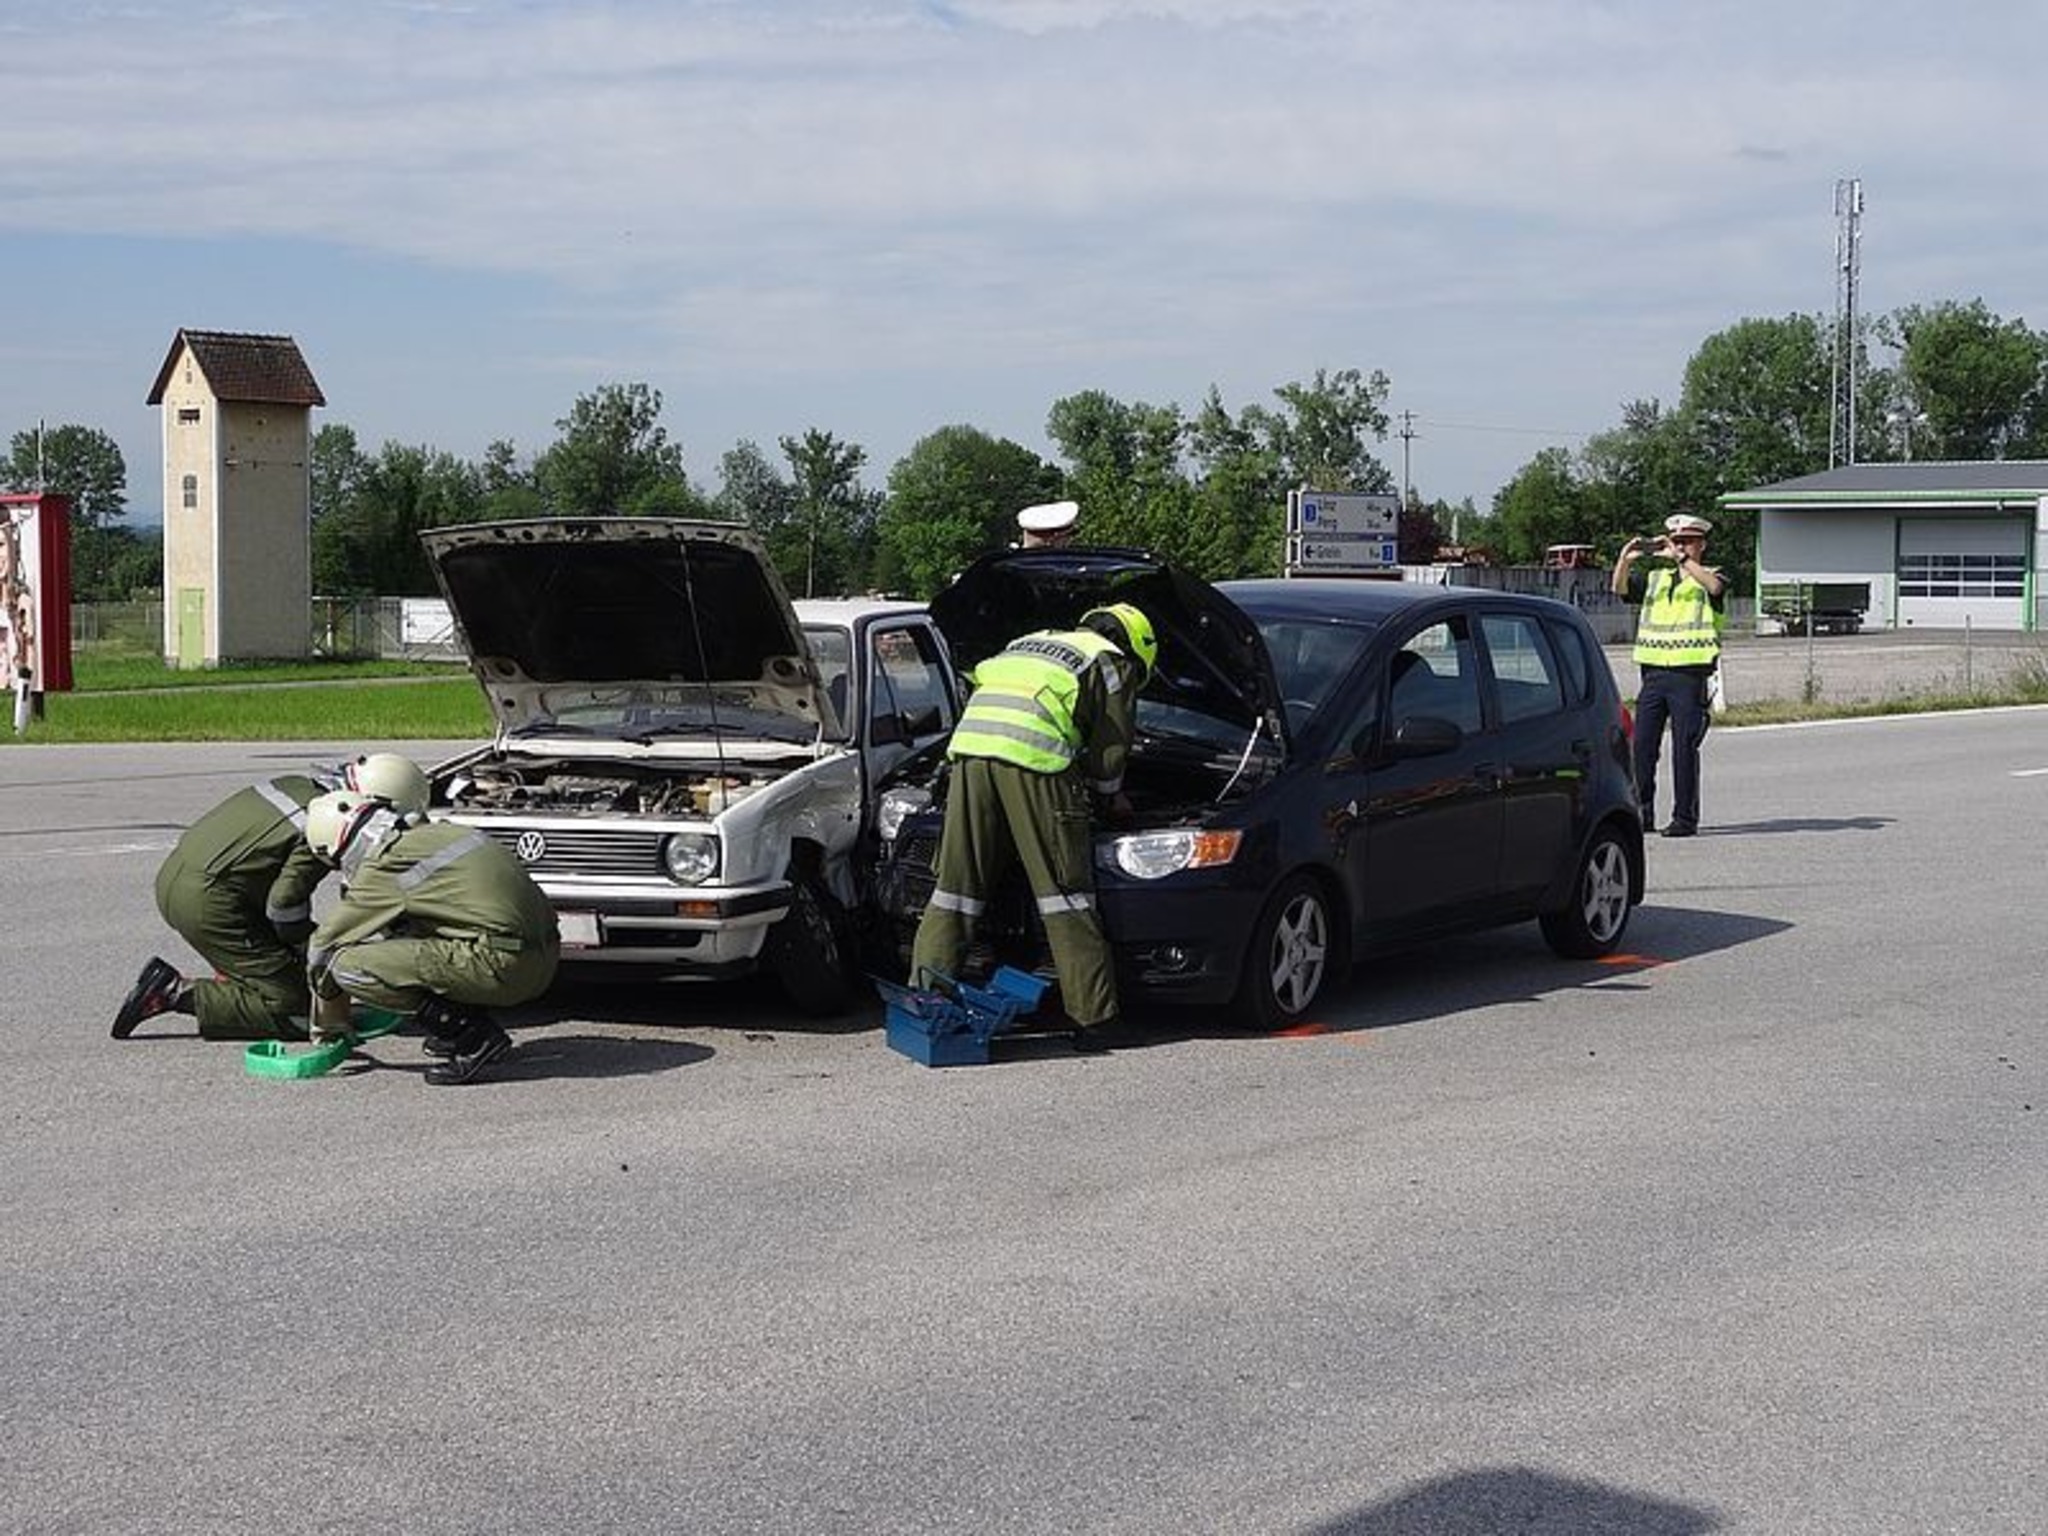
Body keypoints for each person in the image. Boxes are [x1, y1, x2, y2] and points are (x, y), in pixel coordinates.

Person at [910, 602, 1156, 1042]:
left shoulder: (1029, 643)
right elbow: (1110, 746)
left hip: (969, 755)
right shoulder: (1109, 660)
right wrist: (1106, 798)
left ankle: (926, 1001)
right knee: (1066, 893)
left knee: (956, 889)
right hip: (1034, 761)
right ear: (1135, 648)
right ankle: (1093, 1019)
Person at [111, 754, 433, 1041]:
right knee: (296, 1010)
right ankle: (173, 993)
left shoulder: (295, 785)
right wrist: (319, 952)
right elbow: (284, 908)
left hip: (176, 877)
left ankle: (245, 971)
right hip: (209, 906)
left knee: (286, 964)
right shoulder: (325, 823)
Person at [302, 789, 561, 1087]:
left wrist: (328, 1028)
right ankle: (461, 1021)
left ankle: (471, 1036)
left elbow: (323, 949)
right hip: (545, 959)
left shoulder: (386, 863)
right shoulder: (443, 833)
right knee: (416, 934)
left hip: (505, 967)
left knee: (347, 965)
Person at [1612, 513, 1726, 838]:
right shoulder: (1656, 579)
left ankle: (1685, 818)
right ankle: (1642, 812)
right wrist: (1625, 559)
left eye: (1687, 541)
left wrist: (1682, 560)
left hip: (1689, 676)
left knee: (1684, 748)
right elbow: (1619, 589)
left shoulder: (1710, 575)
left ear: (1701, 544)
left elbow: (1715, 587)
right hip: (1653, 674)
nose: (1680, 546)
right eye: (1675, 541)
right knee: (1643, 748)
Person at [1015, 499, 1080, 549]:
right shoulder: (1068, 564)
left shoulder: (1010, 562)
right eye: (1070, 534)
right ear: (1052, 539)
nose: (1071, 540)